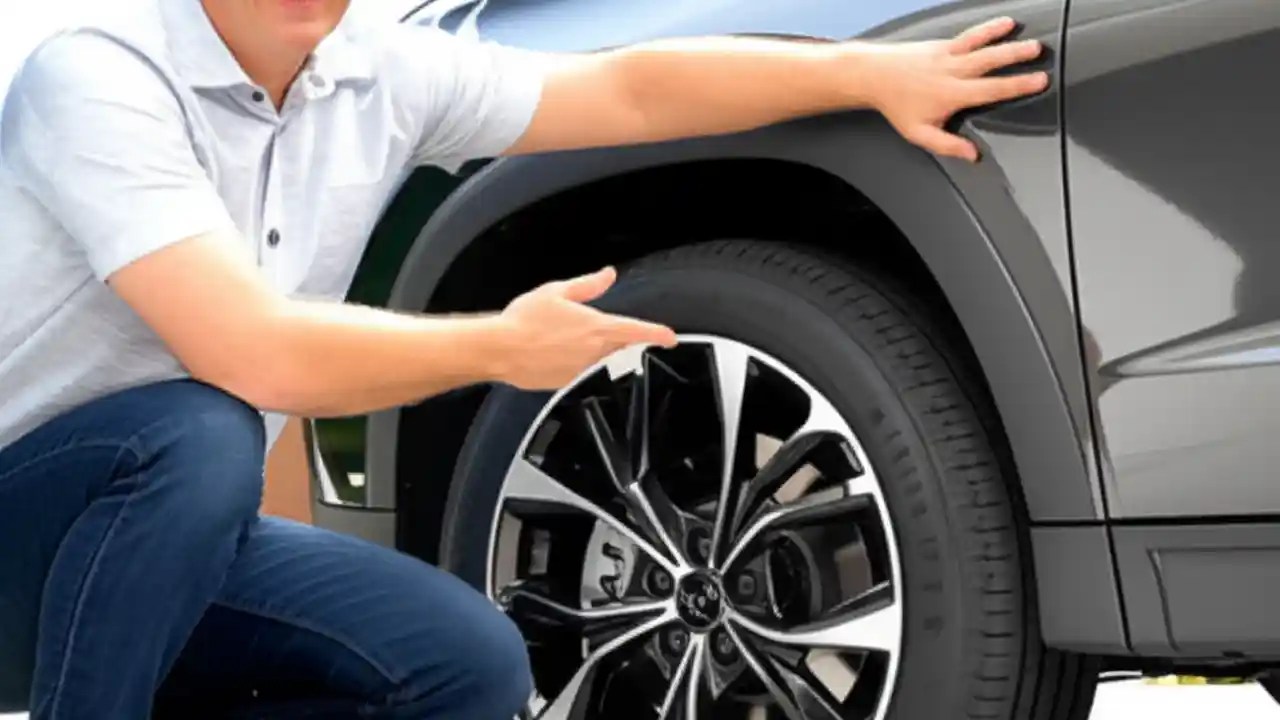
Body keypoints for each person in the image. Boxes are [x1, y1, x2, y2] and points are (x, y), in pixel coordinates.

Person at [0, 0, 1048, 717]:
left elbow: (628, 92)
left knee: (462, 663)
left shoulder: (374, 74)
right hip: (28, 530)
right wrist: (503, 346)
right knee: (196, 431)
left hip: (162, 545)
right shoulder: (99, 79)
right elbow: (257, 358)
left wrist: (863, 73)